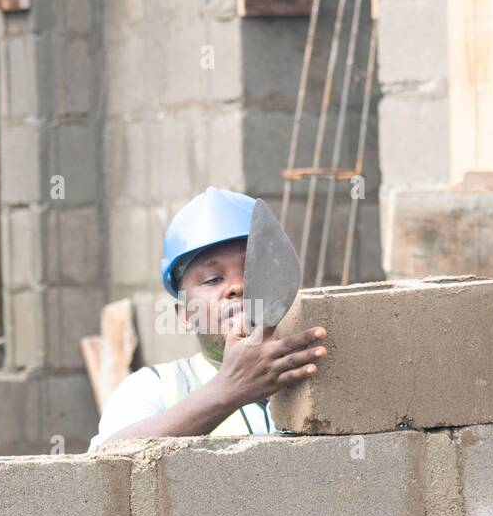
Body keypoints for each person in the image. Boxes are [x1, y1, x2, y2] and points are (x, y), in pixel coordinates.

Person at [89, 187, 328, 450]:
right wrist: (229, 389)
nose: (237, 286)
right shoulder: (152, 387)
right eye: (213, 279)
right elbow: (104, 465)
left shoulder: (323, 368)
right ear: (186, 315)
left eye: (252, 271)